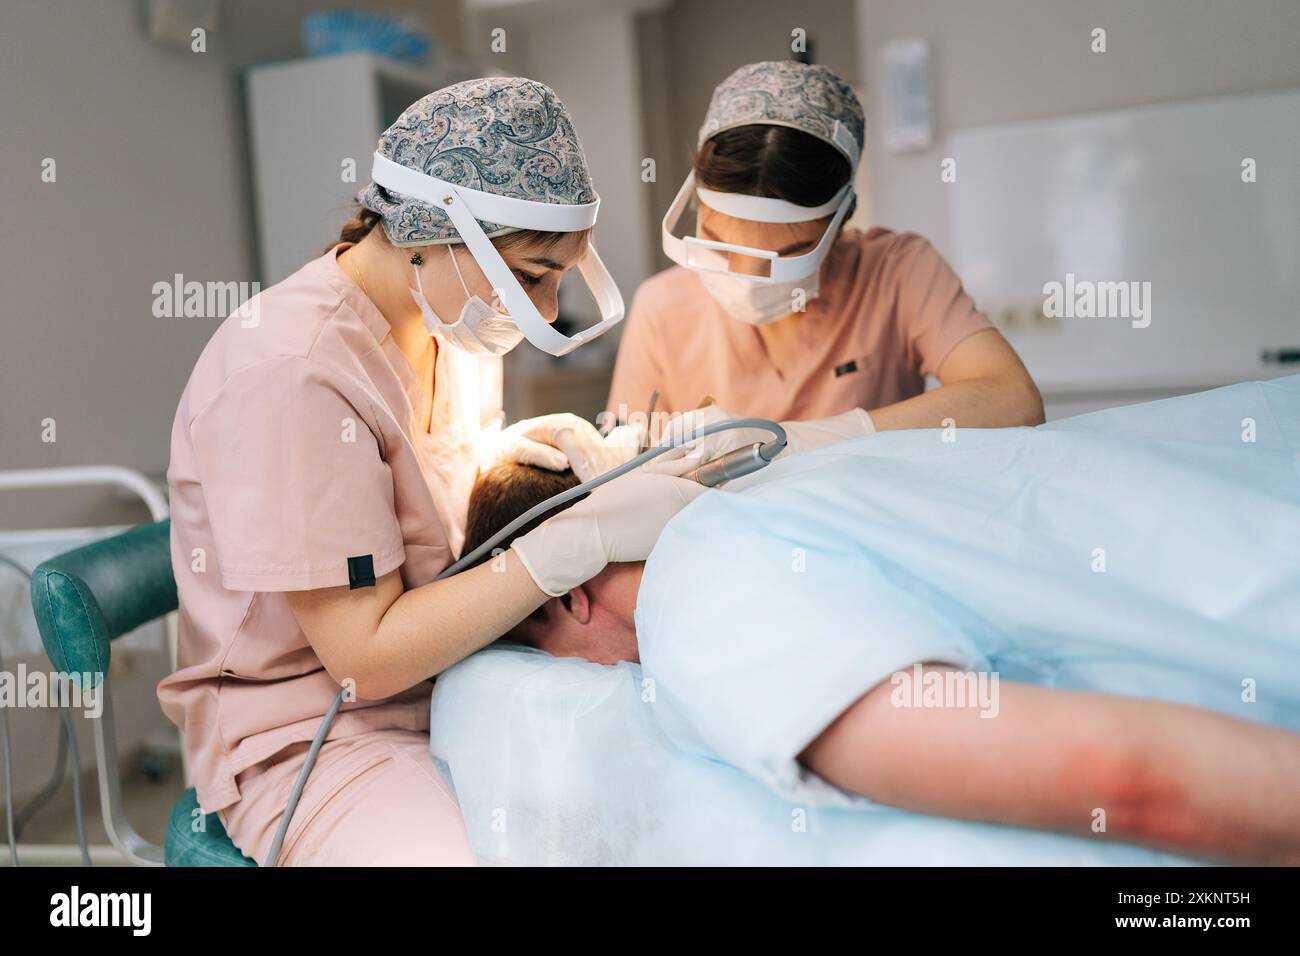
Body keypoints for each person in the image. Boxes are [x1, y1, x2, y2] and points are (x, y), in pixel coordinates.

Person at [157, 77, 699, 866]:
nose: (547, 310)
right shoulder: (292, 372)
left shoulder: (451, 322)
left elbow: (427, 488)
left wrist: (518, 457)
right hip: (321, 733)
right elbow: (366, 659)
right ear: (432, 232)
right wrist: (562, 550)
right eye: (533, 273)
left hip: (451, 675)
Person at [456, 377, 1300, 865]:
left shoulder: (703, 601)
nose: (604, 677)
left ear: (570, 595)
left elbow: (1120, 781)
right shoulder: (792, 486)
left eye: (567, 659)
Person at [607, 61, 1043, 477]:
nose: (748, 277)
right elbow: (625, 466)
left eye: (789, 255)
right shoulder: (661, 308)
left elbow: (1012, 399)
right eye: (722, 247)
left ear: (842, 220)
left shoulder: (896, 272)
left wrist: (800, 443)